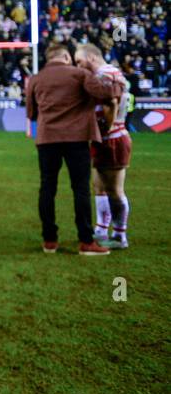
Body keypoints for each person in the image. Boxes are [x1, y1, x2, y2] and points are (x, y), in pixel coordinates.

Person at [23, 43, 117, 256]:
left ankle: (49, 240)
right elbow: (106, 92)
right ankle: (85, 241)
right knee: (80, 188)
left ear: (49, 58)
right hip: (77, 138)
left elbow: (30, 113)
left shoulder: (35, 79)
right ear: (66, 56)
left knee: (47, 187)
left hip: (47, 139)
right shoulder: (79, 74)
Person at [74, 44, 133, 249]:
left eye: (80, 61)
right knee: (99, 186)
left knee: (114, 190)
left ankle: (119, 235)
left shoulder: (106, 74)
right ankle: (101, 229)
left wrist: (105, 131)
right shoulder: (103, 73)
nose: (78, 65)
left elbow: (111, 104)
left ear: (91, 57)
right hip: (105, 139)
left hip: (113, 138)